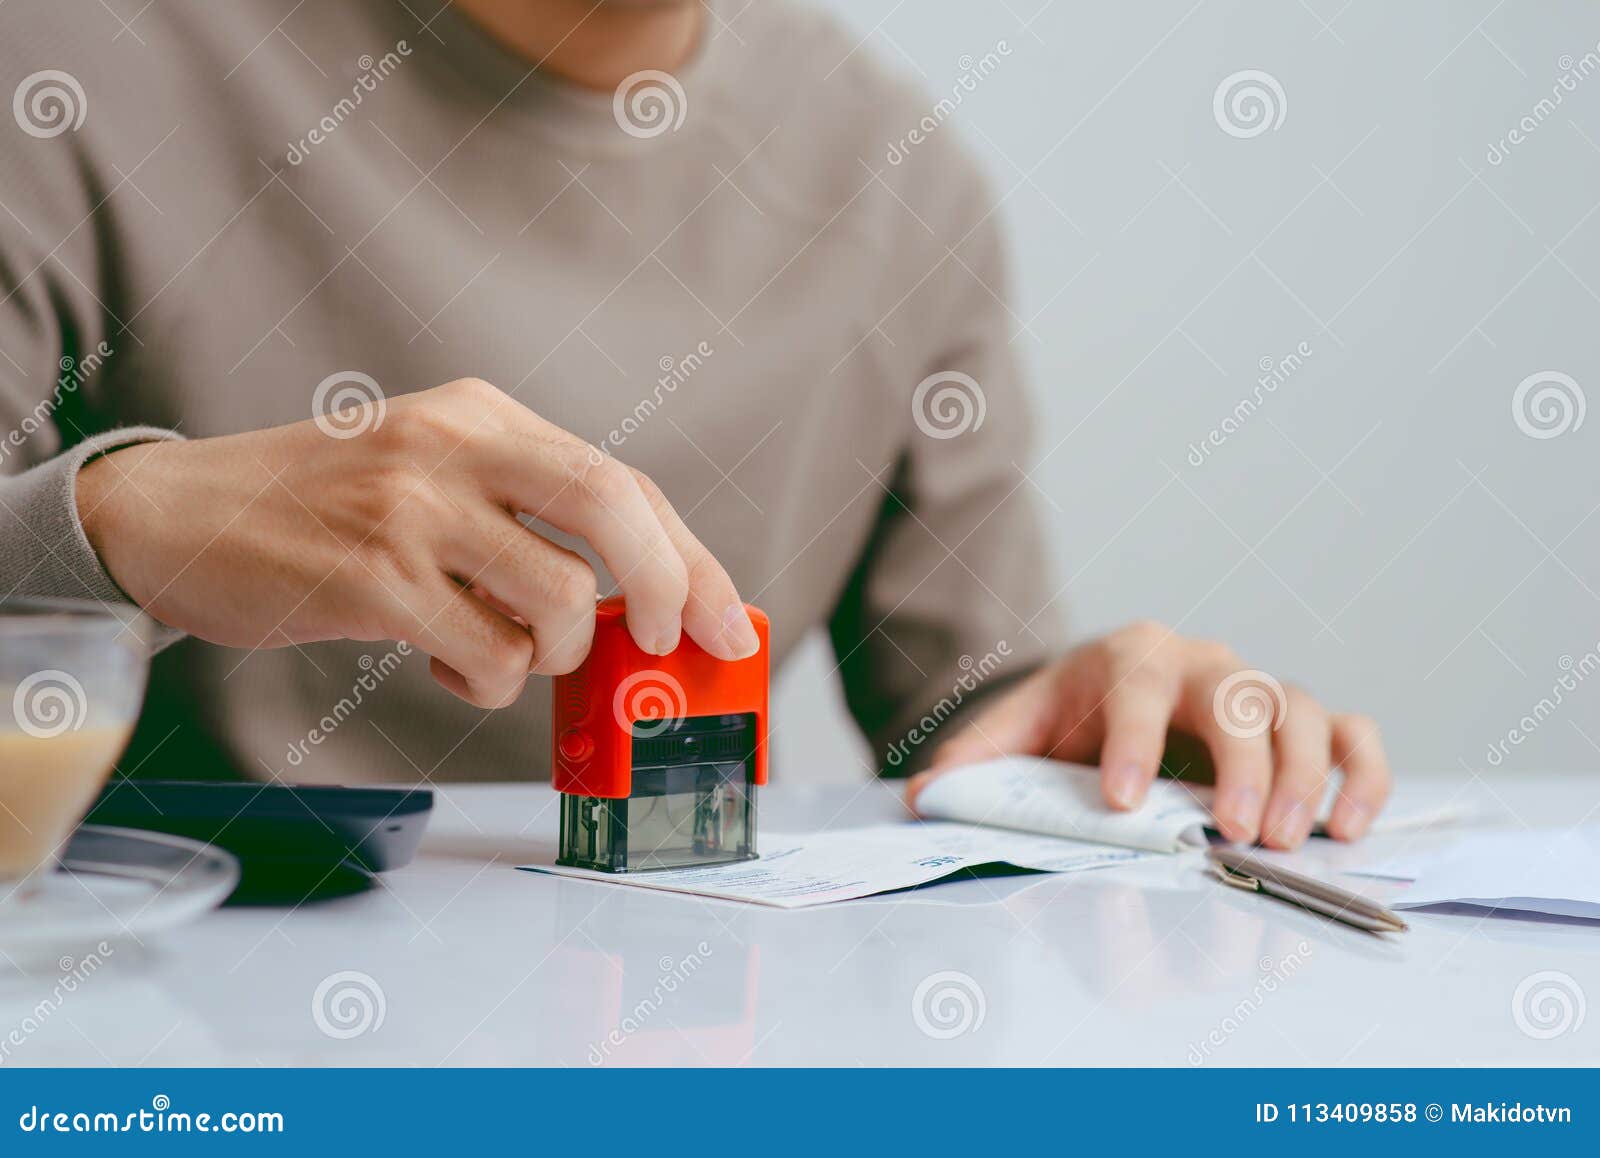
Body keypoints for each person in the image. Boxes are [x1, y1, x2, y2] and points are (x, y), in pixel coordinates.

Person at [0, 0, 1388, 849]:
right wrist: (125, 525)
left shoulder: (898, 178)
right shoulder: (61, 58)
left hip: (677, 1026)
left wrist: (1093, 748)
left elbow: (964, 713)